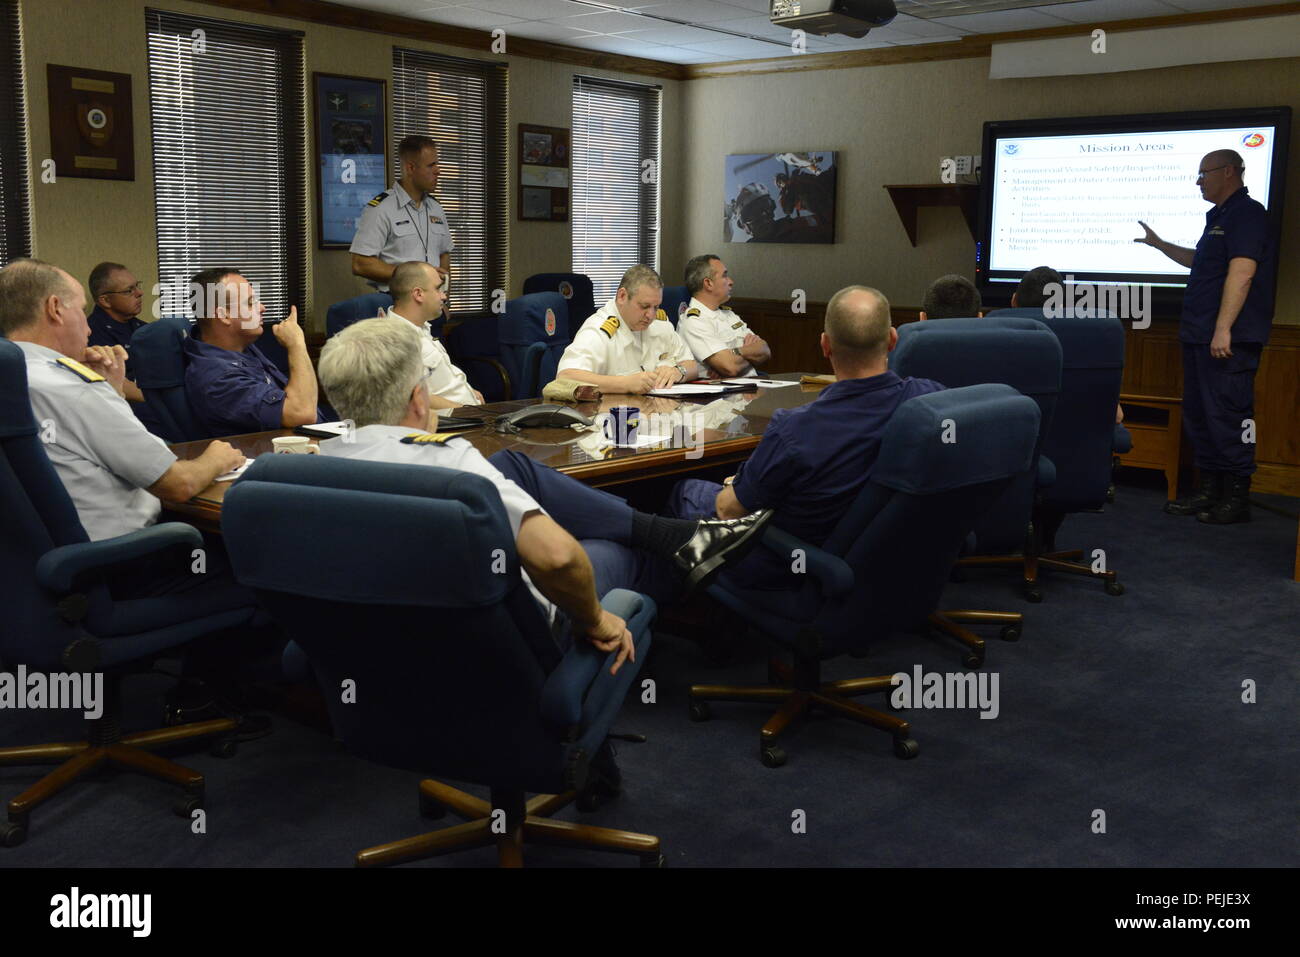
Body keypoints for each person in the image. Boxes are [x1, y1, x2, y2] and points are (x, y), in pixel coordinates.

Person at [315, 317, 775, 669]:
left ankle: (674, 539)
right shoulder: (449, 460)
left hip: (391, 646)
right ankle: (705, 601)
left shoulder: (307, 469)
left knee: (514, 467)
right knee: (615, 550)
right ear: (419, 399)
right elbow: (557, 561)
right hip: (506, 638)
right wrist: (595, 619)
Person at [665, 285, 946, 588]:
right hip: (886, 562)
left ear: (825, 346)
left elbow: (727, 509)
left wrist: (742, 483)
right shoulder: (930, 401)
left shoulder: (794, 429)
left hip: (789, 568)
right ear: (893, 340)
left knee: (683, 491)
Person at [1135, 149, 1275, 524]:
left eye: (1204, 174)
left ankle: (1237, 496)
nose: (1199, 181)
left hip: (1228, 338)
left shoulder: (1248, 214)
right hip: (1200, 335)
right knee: (1200, 415)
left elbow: (1242, 273)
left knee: (1231, 415)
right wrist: (1160, 245)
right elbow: (1201, 261)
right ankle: (1211, 490)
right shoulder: (1219, 217)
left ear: (1229, 172)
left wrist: (1224, 328)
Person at [183, 267, 325, 436]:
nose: (262, 308)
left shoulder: (238, 345)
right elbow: (302, 413)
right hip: (281, 456)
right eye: (250, 303)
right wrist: (296, 344)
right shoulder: (217, 379)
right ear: (224, 316)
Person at [557, 265, 701, 394]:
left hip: (656, 414)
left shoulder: (659, 324)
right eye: (644, 306)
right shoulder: (599, 330)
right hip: (611, 418)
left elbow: (692, 366)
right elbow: (565, 377)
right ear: (622, 296)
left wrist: (678, 371)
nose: (651, 315)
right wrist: (624, 384)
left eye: (656, 307)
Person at [350, 134, 453, 297]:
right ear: (410, 168)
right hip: (397, 305)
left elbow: (444, 255)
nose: (438, 170)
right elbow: (360, 264)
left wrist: (444, 299)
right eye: (431, 165)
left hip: (433, 308)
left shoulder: (436, 208)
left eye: (437, 163)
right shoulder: (381, 208)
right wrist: (414, 276)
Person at [384, 261, 482, 411]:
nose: (443, 296)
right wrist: (469, 411)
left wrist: (470, 394)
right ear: (418, 294)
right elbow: (410, 396)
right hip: (448, 424)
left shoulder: (421, 327)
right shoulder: (395, 337)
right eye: (438, 289)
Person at [676, 255, 771, 378]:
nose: (731, 282)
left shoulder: (729, 315)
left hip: (752, 387)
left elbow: (765, 350)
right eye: (724, 276)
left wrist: (735, 353)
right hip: (723, 394)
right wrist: (750, 353)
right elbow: (730, 368)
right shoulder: (694, 321)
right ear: (708, 283)